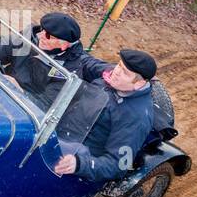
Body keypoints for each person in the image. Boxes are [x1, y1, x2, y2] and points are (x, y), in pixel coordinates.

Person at [53, 49, 156, 182]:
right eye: (119, 64)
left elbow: (118, 165)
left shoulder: (137, 117)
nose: (116, 71)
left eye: (124, 72)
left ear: (139, 83)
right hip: (55, 132)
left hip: (78, 156)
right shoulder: (112, 76)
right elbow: (86, 62)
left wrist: (79, 164)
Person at [0, 12, 91, 98]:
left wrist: (19, 91)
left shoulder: (69, 72)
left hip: (23, 107)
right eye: (42, 29)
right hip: (0, 84)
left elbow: (47, 107)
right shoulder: (31, 35)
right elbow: (5, 47)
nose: (40, 35)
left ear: (64, 45)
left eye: (48, 35)